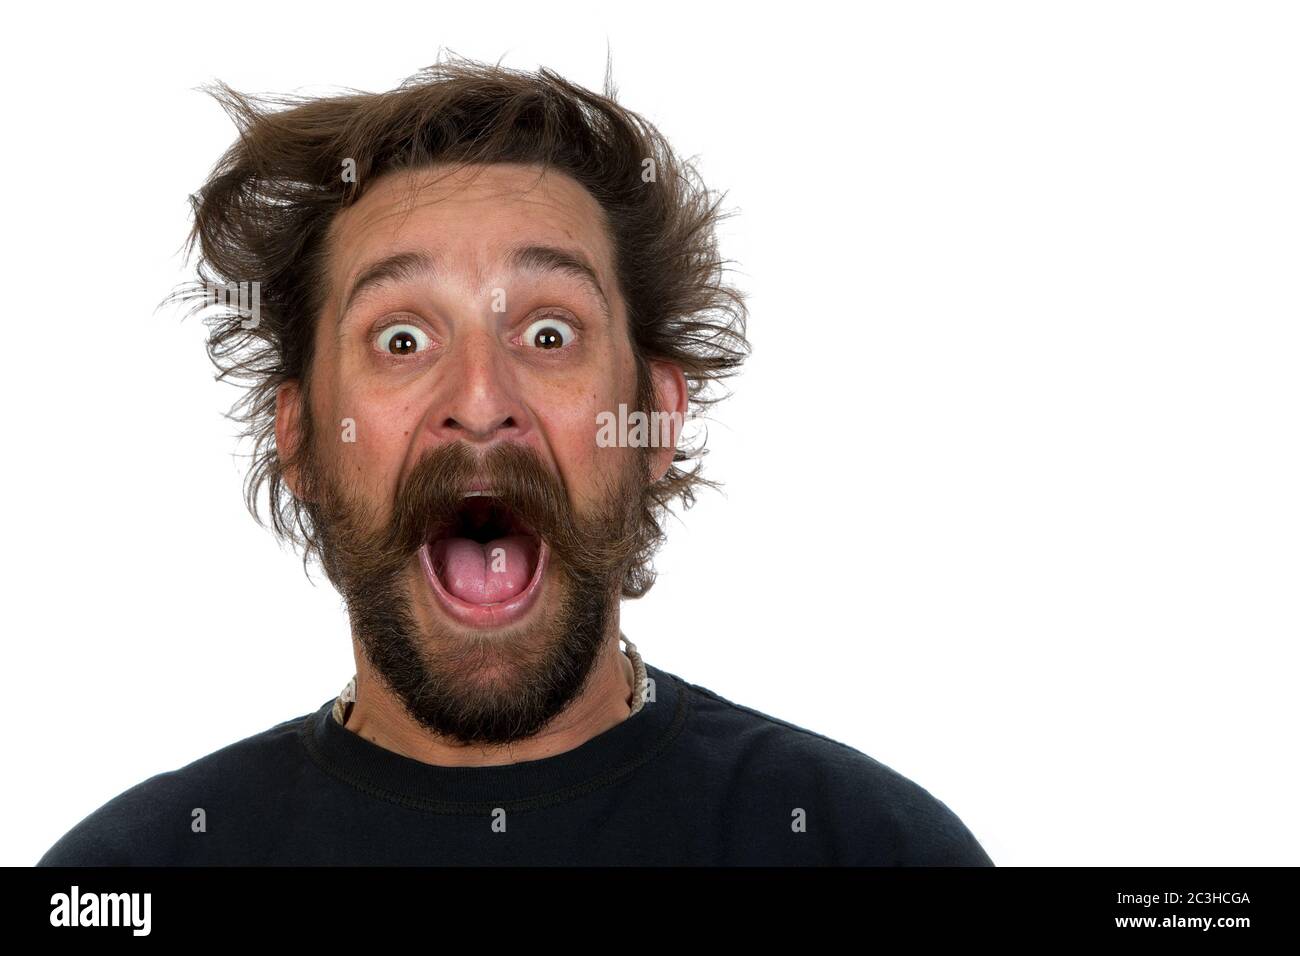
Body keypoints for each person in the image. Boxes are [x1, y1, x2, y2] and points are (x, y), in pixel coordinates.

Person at [38, 55, 992, 866]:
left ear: (654, 418)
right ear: (299, 437)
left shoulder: (866, 846)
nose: (482, 401)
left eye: (547, 331)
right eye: (402, 340)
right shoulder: (131, 871)